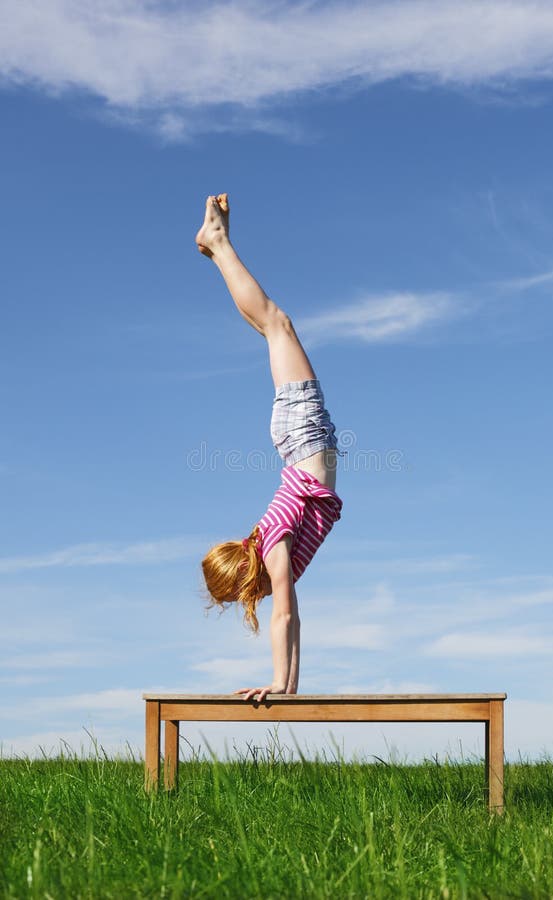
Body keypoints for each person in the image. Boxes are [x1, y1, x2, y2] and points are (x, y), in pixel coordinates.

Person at [196, 194, 343, 703]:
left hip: (302, 436)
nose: (249, 601)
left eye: (241, 596)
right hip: (301, 437)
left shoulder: (272, 544)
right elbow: (290, 611)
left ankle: (219, 245)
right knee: (271, 326)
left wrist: (281, 685)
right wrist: (288, 687)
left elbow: (284, 613)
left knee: (275, 324)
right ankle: (218, 248)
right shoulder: (272, 548)